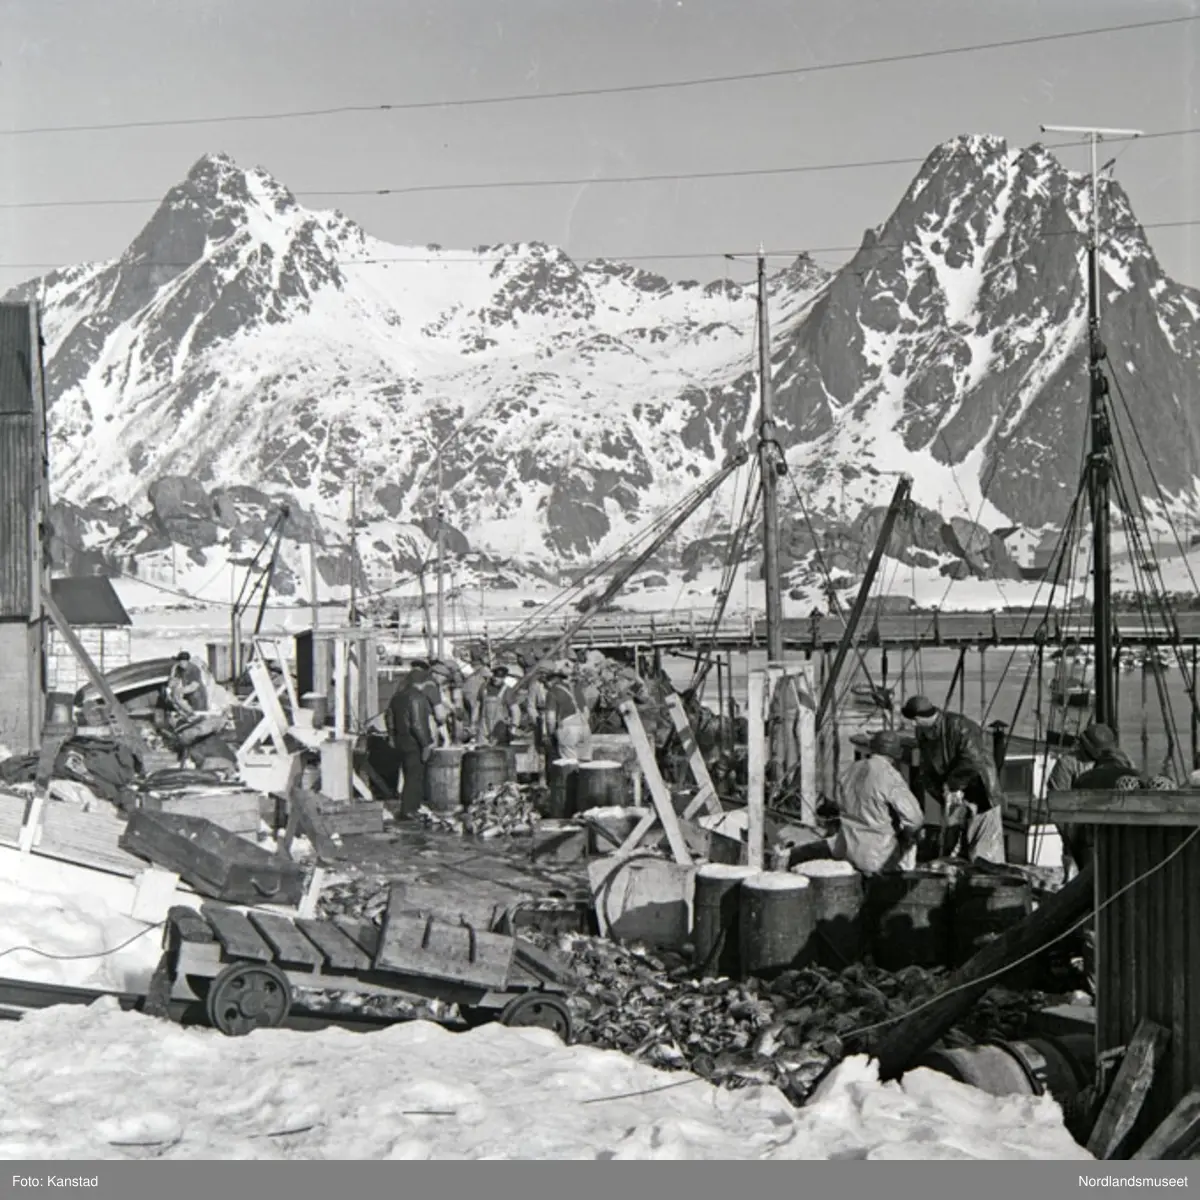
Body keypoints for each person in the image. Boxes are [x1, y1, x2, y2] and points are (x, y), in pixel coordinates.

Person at [900, 693, 1006, 864]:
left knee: (985, 852)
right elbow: (927, 766)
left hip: (981, 793)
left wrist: (952, 785)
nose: (912, 724)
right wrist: (939, 791)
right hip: (953, 795)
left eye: (915, 719)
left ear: (924, 716)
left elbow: (973, 760)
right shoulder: (923, 732)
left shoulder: (960, 726)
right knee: (953, 847)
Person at [831, 729, 927, 876]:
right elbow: (915, 818)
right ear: (897, 753)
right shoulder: (889, 776)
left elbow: (837, 803)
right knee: (916, 833)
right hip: (879, 857)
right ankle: (902, 877)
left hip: (847, 851)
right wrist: (905, 835)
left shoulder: (849, 770)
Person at [386, 670, 438, 817]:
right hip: (414, 742)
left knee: (407, 774)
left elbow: (389, 718)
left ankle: (410, 807)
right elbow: (417, 724)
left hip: (400, 740)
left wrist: (391, 737)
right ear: (423, 683)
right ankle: (409, 810)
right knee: (414, 777)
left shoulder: (397, 697)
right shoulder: (418, 698)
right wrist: (426, 744)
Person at [544, 661, 593, 763]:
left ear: (554, 678)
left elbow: (550, 719)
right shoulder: (576, 689)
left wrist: (551, 733)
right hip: (584, 727)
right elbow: (586, 712)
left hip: (567, 729)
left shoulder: (553, 691)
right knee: (585, 763)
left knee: (570, 764)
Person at [476, 665, 522, 746]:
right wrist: (473, 723)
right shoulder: (484, 688)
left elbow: (515, 710)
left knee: (499, 753)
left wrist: (514, 727)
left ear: (504, 678)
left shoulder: (507, 691)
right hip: (483, 727)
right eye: (495, 676)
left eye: (499, 677)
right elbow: (477, 706)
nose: (496, 678)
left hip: (500, 728)